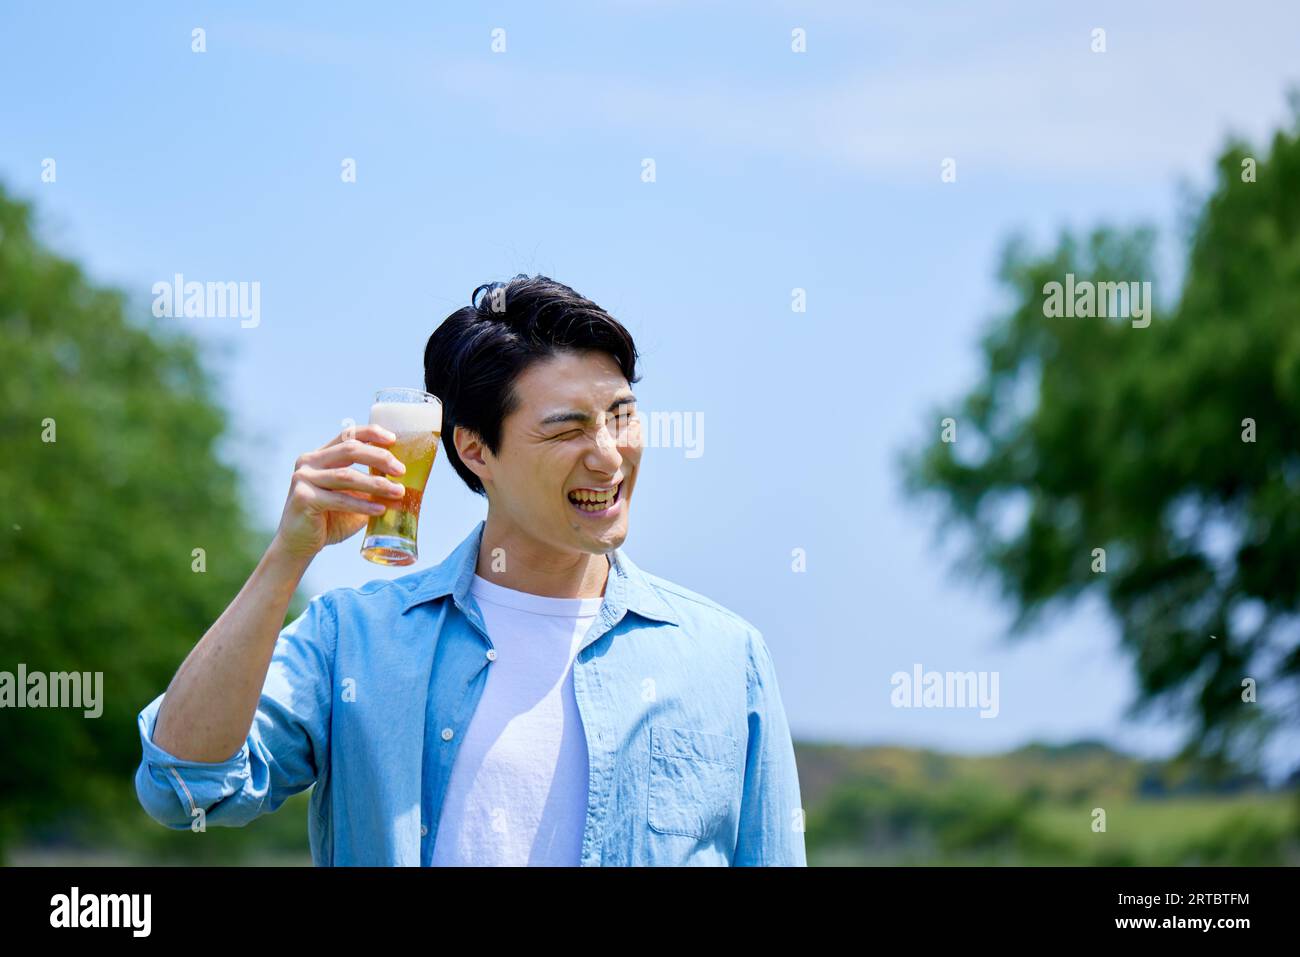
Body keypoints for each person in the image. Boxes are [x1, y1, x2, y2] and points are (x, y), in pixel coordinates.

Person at [134, 274, 807, 866]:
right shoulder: (355, 641)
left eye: (621, 416)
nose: (608, 455)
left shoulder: (725, 656)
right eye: (568, 428)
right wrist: (288, 557)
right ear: (475, 448)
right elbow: (185, 787)